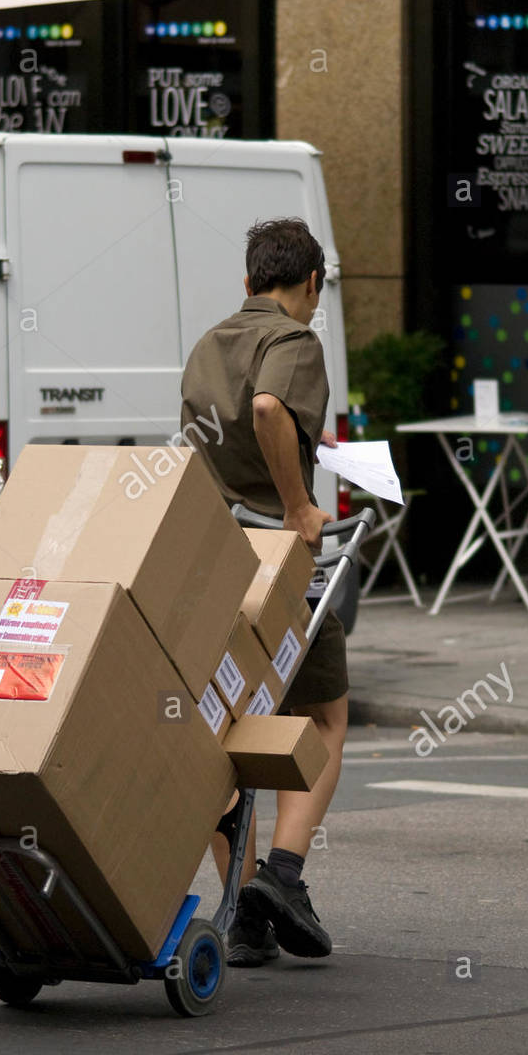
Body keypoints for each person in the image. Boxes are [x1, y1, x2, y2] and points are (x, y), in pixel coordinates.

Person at [179, 216, 348, 967]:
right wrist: (299, 505)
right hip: (272, 566)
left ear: (247, 281)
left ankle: (244, 914)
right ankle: (282, 876)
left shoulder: (208, 344)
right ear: (311, 283)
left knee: (229, 730)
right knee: (324, 716)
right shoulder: (295, 340)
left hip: (212, 564)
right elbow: (271, 409)